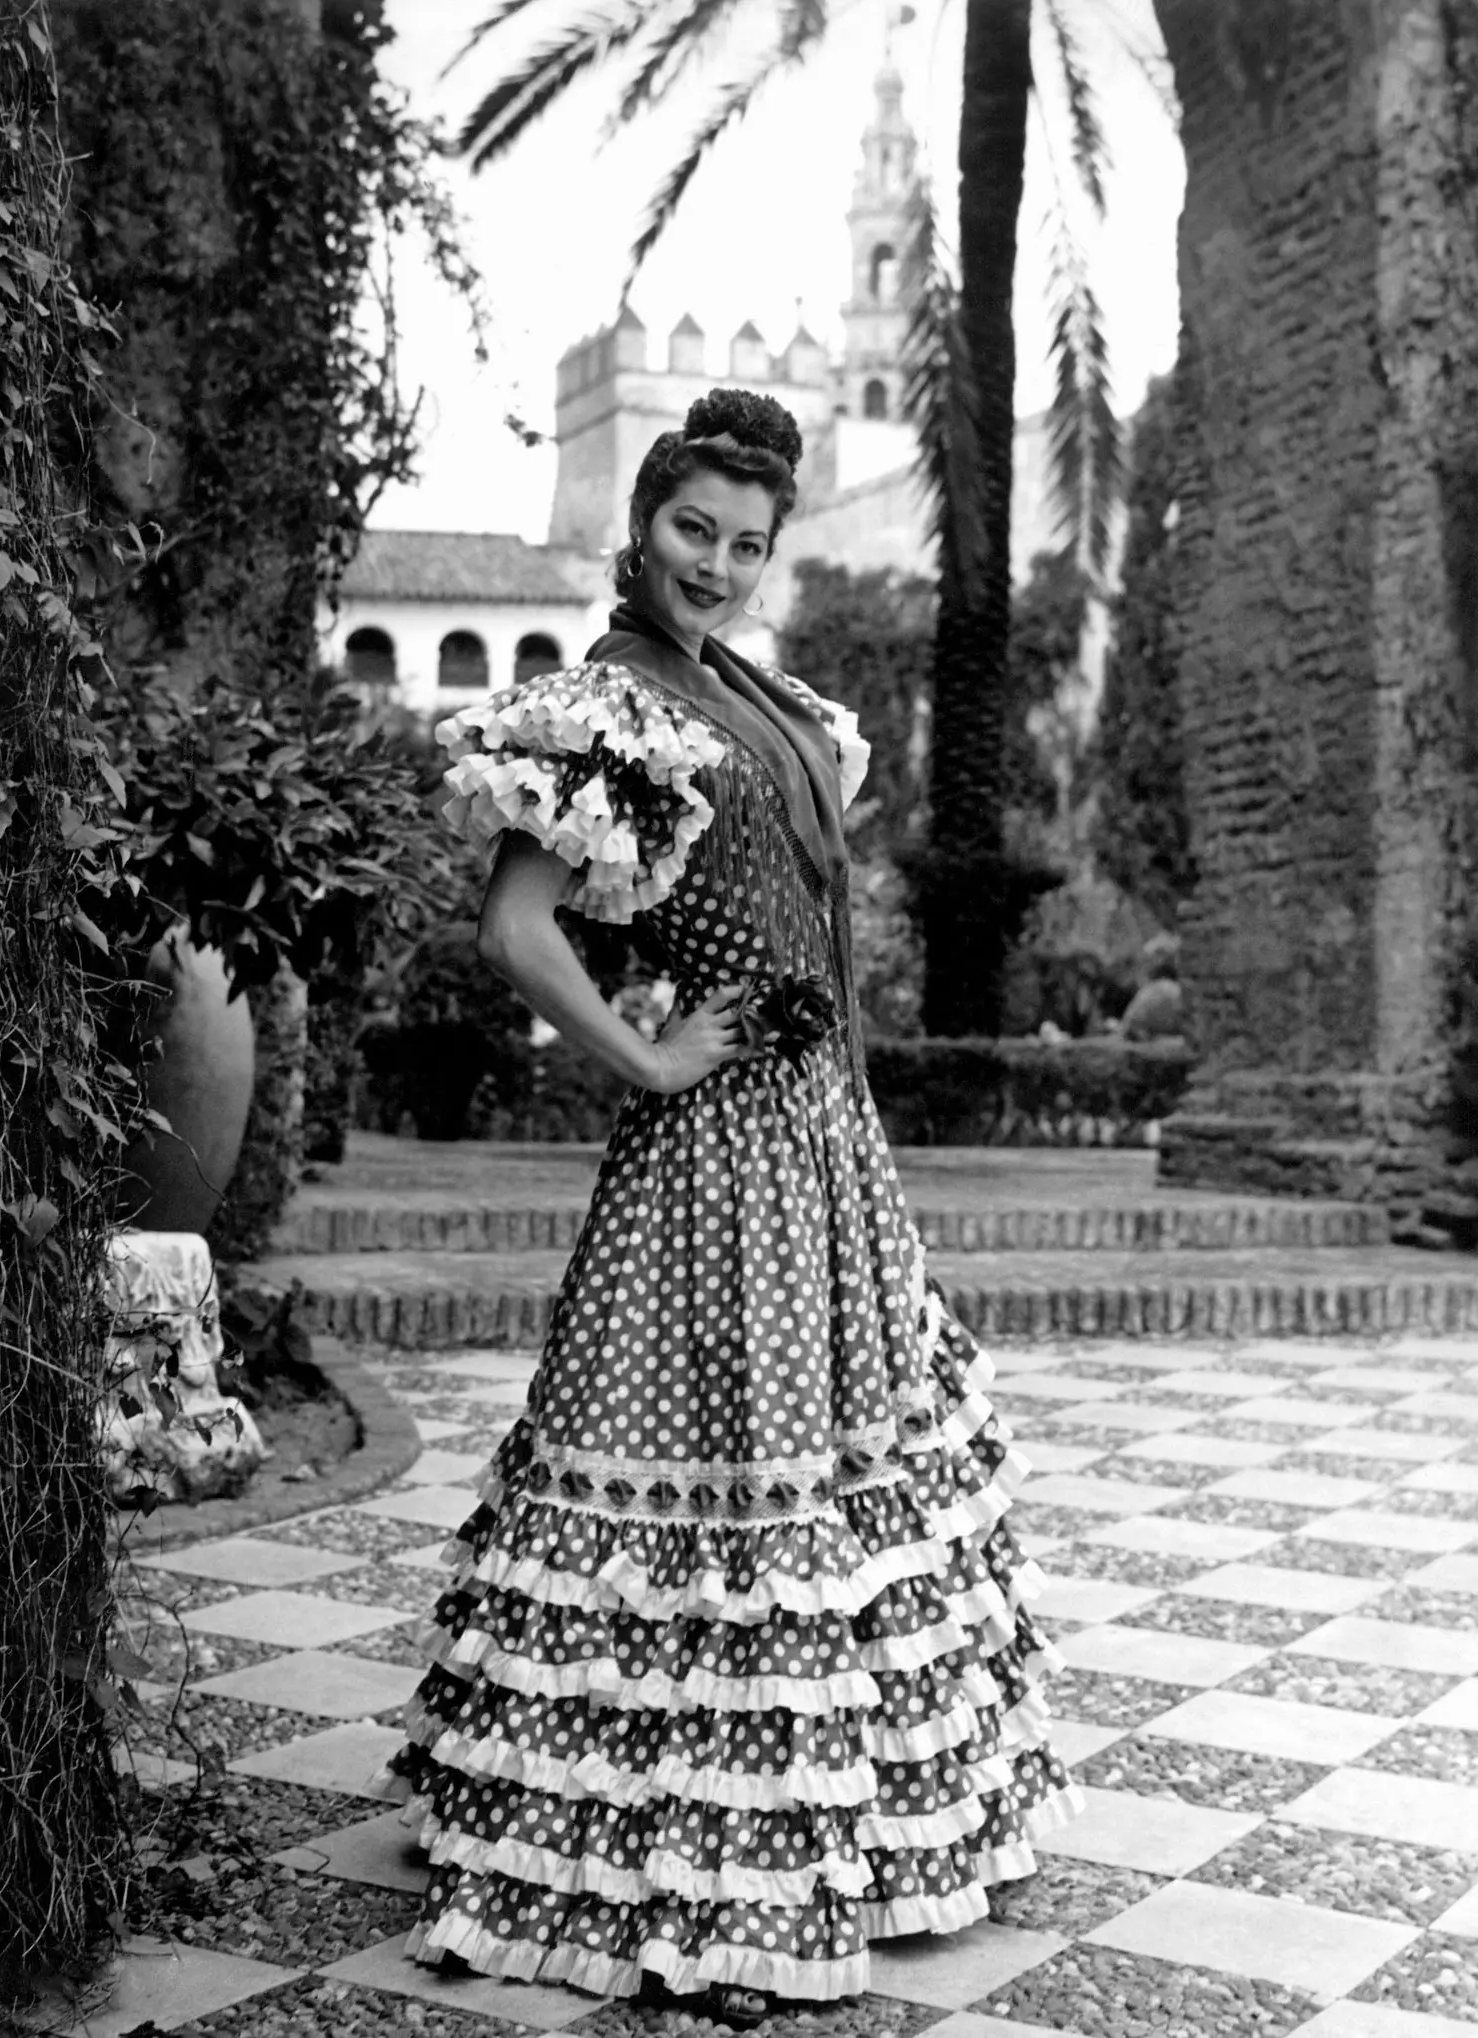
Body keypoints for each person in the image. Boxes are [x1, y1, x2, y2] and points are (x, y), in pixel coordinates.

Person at [374, 388, 1079, 2023]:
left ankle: (817, 1834)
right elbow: (519, 927)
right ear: (642, 519)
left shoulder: (755, 691)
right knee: (727, 1479)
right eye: (695, 530)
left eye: (749, 544)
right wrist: (647, 1052)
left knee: (828, 1469)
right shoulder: (616, 700)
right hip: (712, 1156)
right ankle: (705, 1881)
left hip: (820, 1144)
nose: (718, 564)